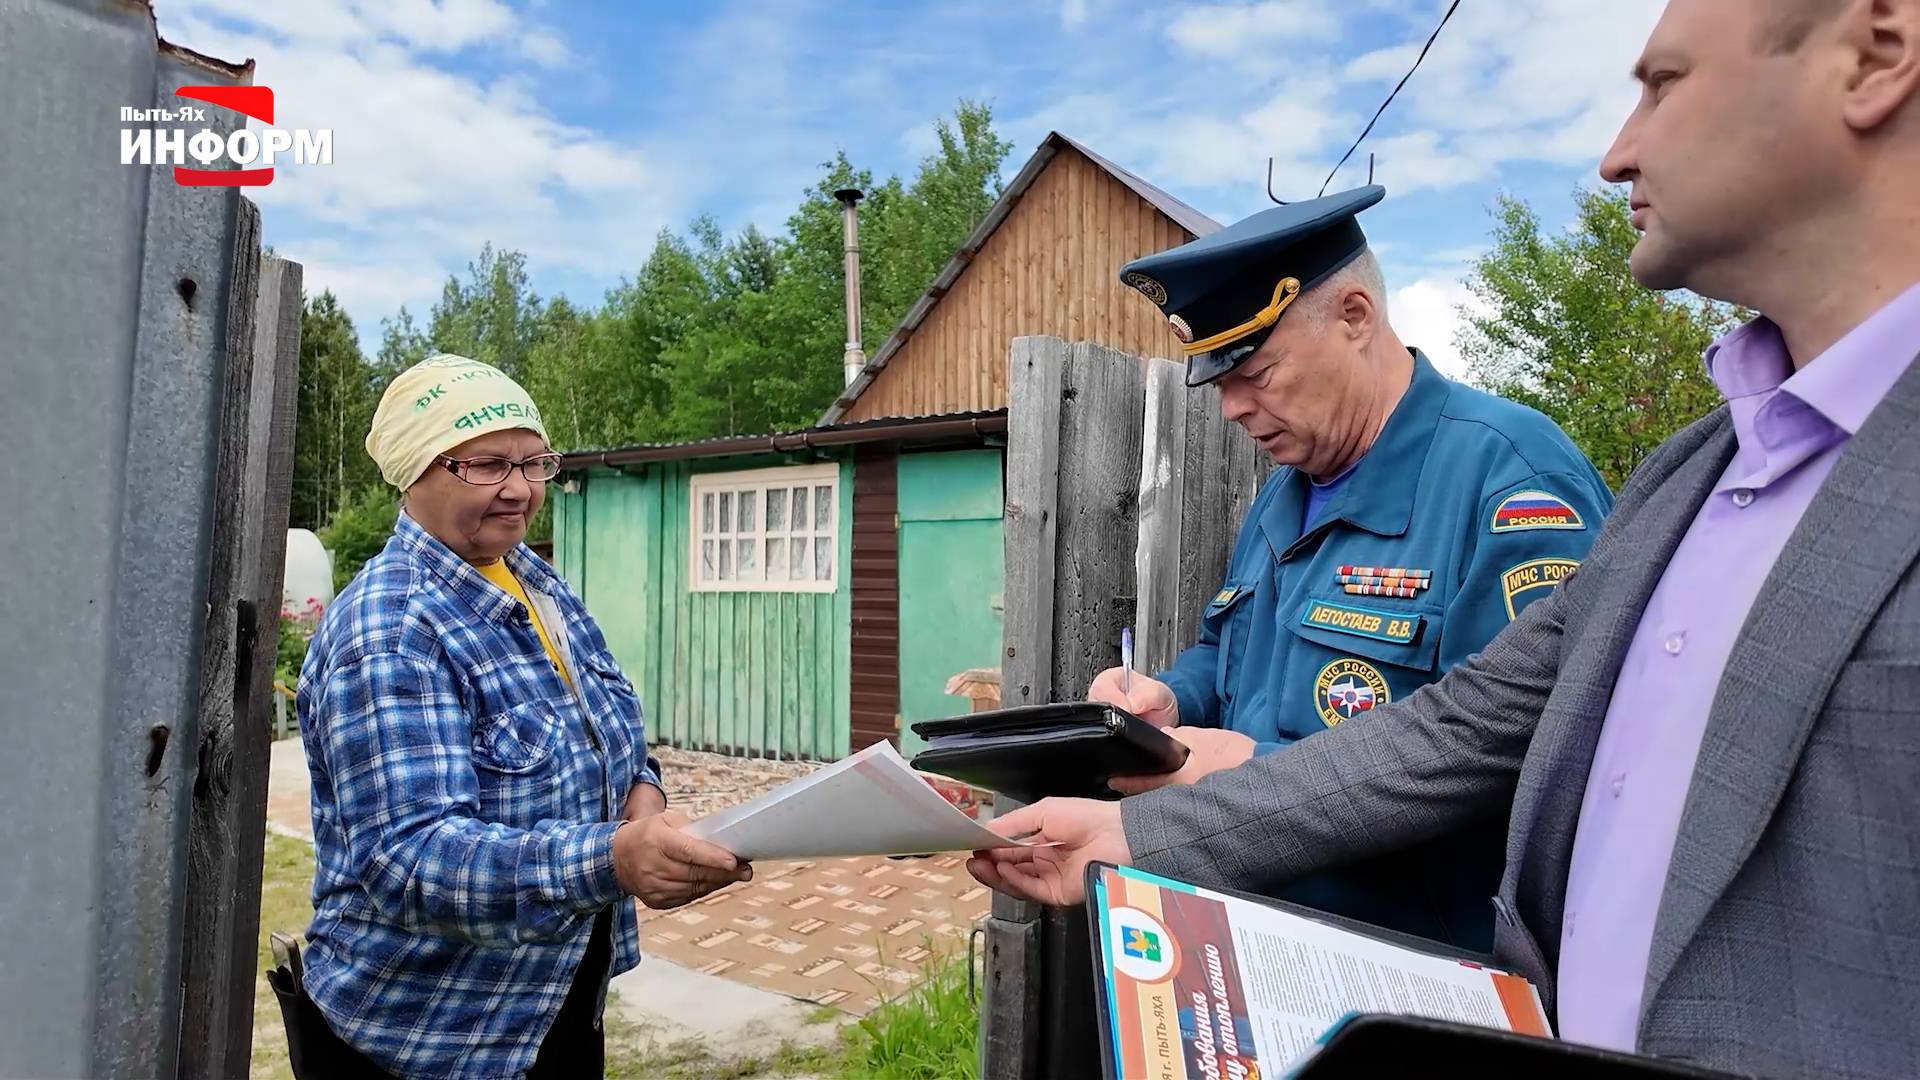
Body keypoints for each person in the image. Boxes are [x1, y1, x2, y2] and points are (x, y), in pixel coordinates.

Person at [970, 0, 1920, 1074]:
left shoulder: (1507, 477)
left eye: (1662, 83)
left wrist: (1237, 767)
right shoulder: (1694, 474)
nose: (1616, 154)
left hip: (1400, 963)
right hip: (1248, 957)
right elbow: (1456, 721)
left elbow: (1520, 772)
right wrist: (1163, 737)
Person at [1086, 185, 1611, 950]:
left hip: (1417, 965)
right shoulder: (1283, 494)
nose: (1231, 407)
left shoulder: (1509, 479)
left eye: (1254, 372)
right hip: (1258, 928)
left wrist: (1245, 768)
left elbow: (1520, 754)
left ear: (1355, 317)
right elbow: (1227, 649)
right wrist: (1173, 698)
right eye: (1218, 382)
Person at [290, 353, 751, 1079]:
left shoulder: (533, 579)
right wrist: (613, 857)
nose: (518, 490)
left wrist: (644, 801)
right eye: (487, 466)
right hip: (430, 1036)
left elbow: (613, 732)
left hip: (550, 1000)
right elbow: (410, 862)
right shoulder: (389, 630)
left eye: (534, 464)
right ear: (418, 469)